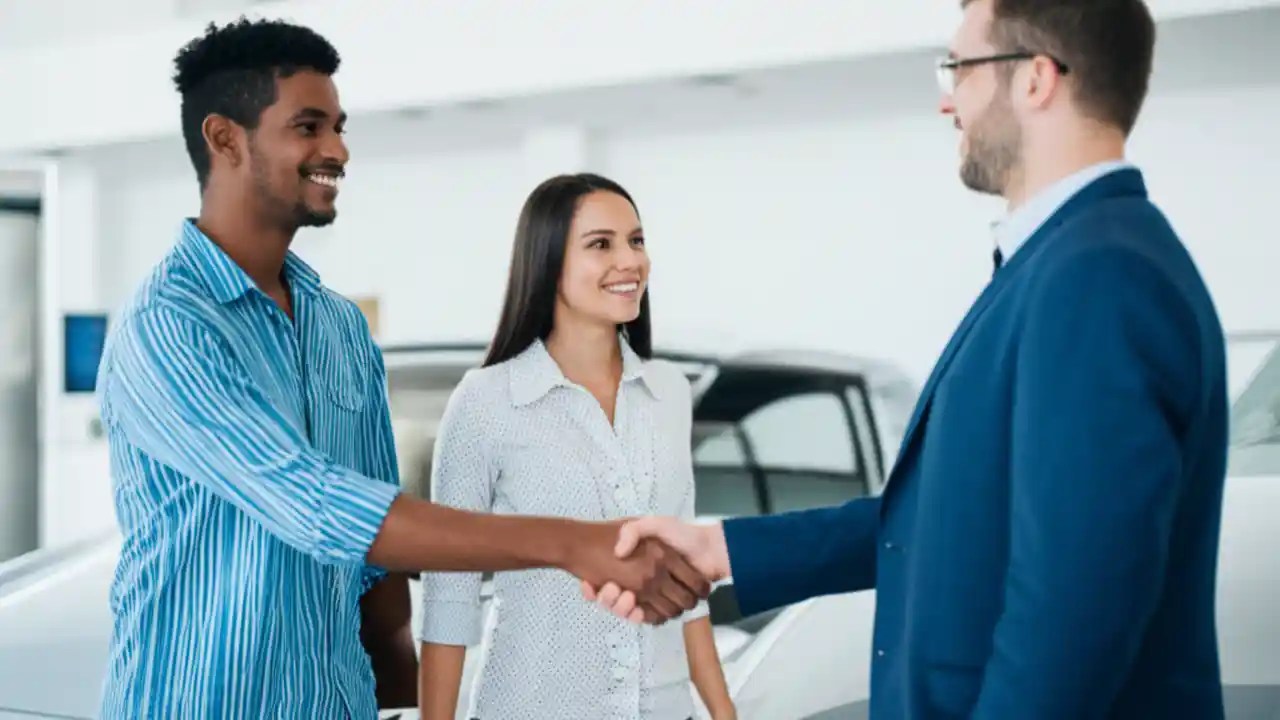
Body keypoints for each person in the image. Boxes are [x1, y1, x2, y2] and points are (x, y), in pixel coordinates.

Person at [588, 1, 1230, 718]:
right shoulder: (1065, 264)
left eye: (960, 66)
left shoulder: (1099, 279)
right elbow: (939, 517)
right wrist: (719, 549)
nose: (945, 98)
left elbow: (1075, 609)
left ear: (1036, 79)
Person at [94, 19, 706, 719]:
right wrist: (573, 543)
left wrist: (411, 702)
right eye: (309, 126)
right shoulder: (167, 325)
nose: (338, 150)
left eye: (340, 126)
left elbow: (375, 570)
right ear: (225, 138)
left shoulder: (339, 327)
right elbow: (320, 505)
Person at [417, 174, 736, 720]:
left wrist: (723, 712)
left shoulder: (669, 393)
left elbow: (686, 585)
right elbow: (450, 595)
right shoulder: (488, 400)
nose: (629, 261)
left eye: (636, 240)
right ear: (548, 262)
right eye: (601, 244)